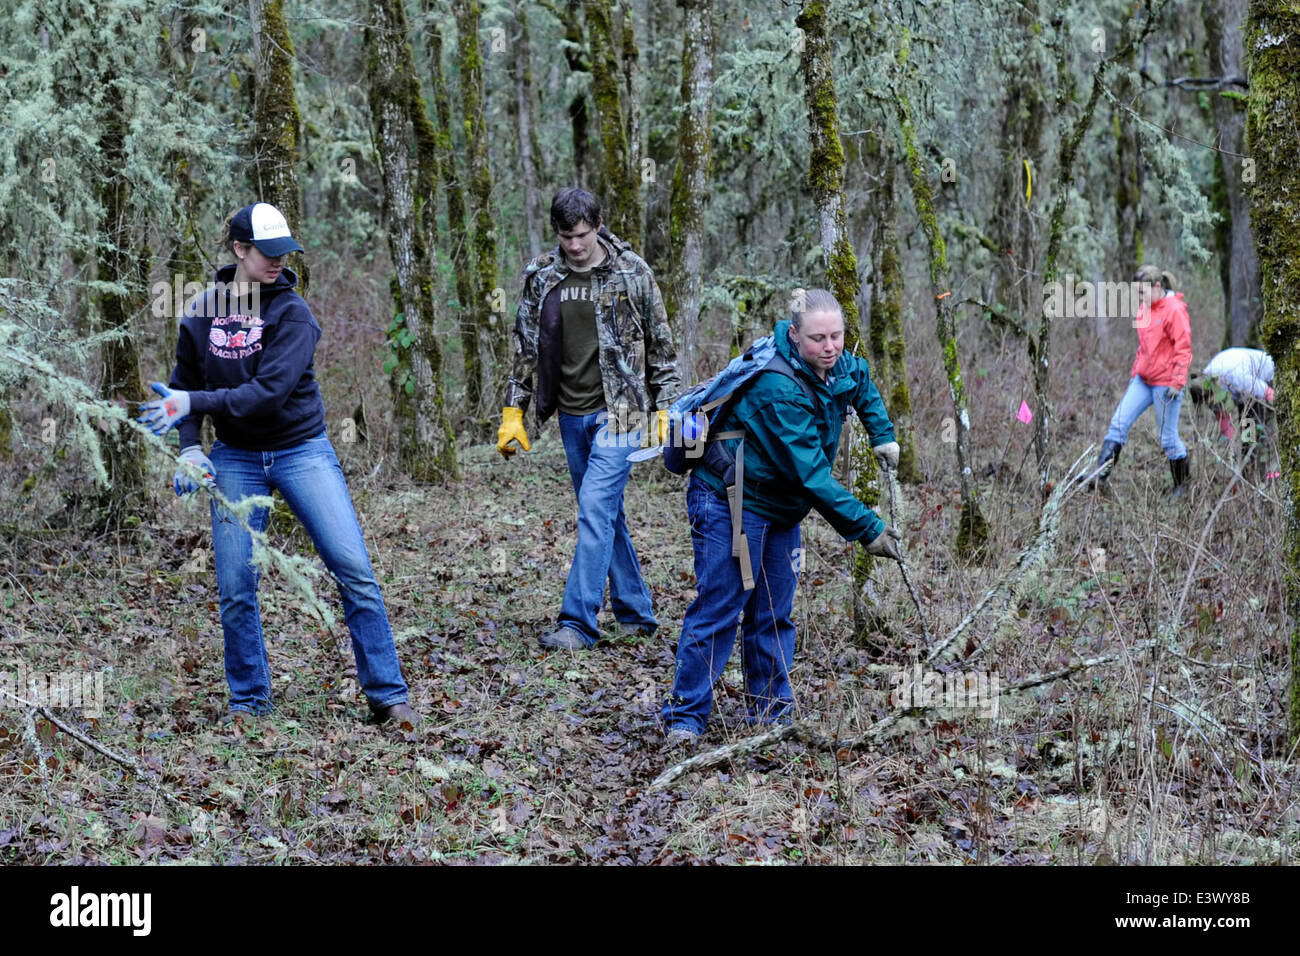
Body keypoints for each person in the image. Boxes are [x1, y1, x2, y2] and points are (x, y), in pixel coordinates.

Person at [139, 202, 418, 727]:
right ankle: (249, 702)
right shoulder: (201, 312)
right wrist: (191, 447)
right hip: (235, 457)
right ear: (239, 250)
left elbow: (266, 394)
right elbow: (182, 383)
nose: (278, 263)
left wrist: (194, 405)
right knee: (235, 584)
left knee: (352, 567)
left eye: (284, 252)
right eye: (267, 253)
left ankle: (388, 695)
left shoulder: (293, 315)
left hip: (300, 450)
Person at [661, 288, 903, 745]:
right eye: (817, 338)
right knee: (720, 606)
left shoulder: (837, 366)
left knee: (774, 610)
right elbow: (811, 474)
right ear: (794, 336)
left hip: (780, 507)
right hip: (730, 501)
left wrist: (882, 435)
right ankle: (685, 718)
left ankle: (771, 714)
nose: (829, 347)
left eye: (836, 336)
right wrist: (868, 529)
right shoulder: (779, 388)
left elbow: (862, 383)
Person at [498, 188, 681, 651]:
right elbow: (524, 346)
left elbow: (662, 347)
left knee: (594, 510)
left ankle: (578, 622)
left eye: (581, 235)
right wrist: (513, 410)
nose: (574, 245)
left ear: (598, 225)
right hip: (570, 414)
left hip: (622, 413)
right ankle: (636, 612)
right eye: (565, 236)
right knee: (606, 514)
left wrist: (667, 408)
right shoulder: (542, 275)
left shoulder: (632, 272)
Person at [1094, 265, 1193, 497]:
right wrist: (1135, 372)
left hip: (1166, 383)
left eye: (1142, 292)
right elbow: (1144, 347)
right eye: (1137, 293)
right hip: (1143, 380)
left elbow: (1183, 348)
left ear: (1157, 287)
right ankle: (1099, 479)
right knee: (1118, 424)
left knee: (1168, 439)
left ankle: (1182, 487)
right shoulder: (1143, 309)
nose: (1139, 297)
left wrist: (1177, 382)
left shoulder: (1175, 310)